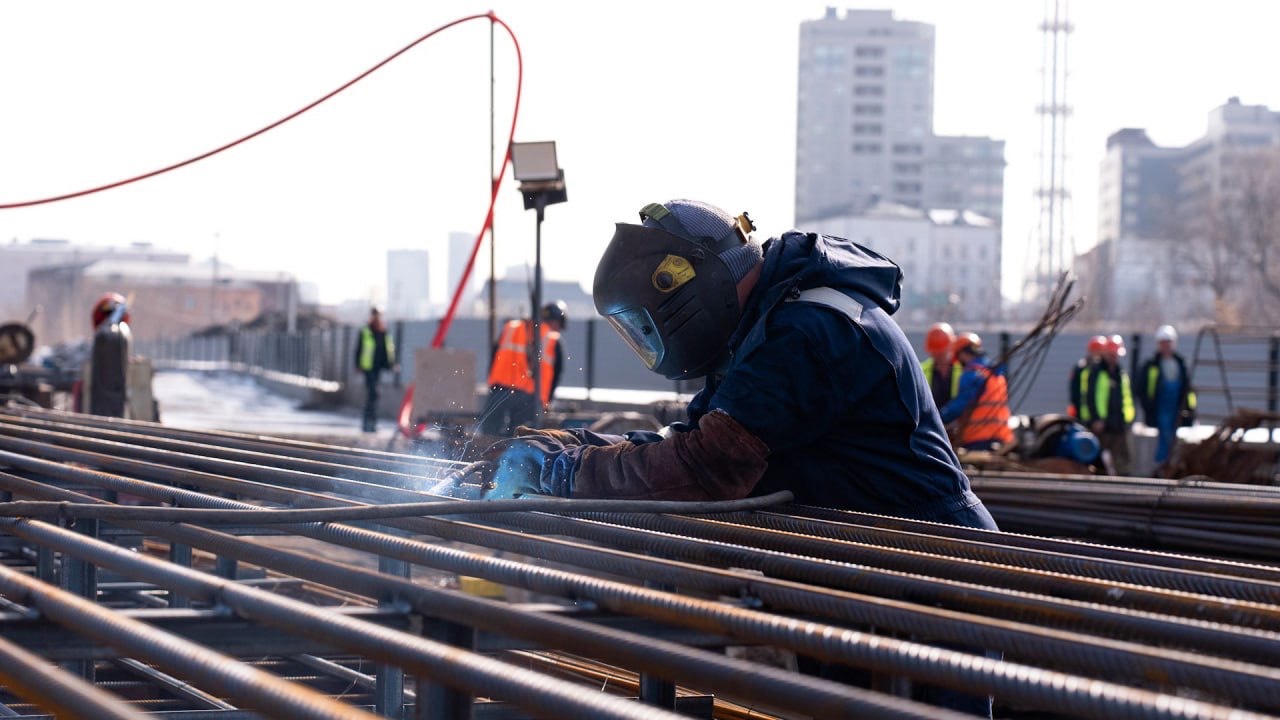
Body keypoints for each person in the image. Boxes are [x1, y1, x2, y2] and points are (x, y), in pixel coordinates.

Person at [456, 198, 998, 716]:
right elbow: (686, 444)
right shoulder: (764, 328)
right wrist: (572, 446)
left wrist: (563, 471)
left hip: (930, 571)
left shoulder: (807, 330)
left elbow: (706, 469)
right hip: (856, 568)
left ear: (686, 288)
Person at [477, 301, 566, 437]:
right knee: (520, 440)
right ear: (557, 322)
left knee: (488, 439)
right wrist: (546, 403)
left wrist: (492, 387)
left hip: (498, 392)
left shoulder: (510, 327)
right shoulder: (553, 339)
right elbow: (556, 376)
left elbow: (494, 357)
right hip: (528, 398)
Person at [1136, 324, 1197, 473]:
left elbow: (1188, 389)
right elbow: (1141, 388)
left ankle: (1171, 465)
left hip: (1176, 405)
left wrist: (1191, 409)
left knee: (1173, 435)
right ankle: (1162, 465)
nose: (1166, 346)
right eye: (1163, 342)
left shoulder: (1181, 364)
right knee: (1165, 435)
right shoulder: (1151, 365)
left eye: (1168, 342)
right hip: (1161, 406)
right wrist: (1148, 406)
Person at [938, 332, 1013, 451]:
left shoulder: (972, 375)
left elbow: (958, 407)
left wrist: (935, 418)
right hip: (1002, 437)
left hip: (978, 438)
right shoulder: (996, 374)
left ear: (963, 354)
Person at [1083, 334, 1135, 475]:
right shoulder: (1096, 372)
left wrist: (1128, 419)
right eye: (1111, 354)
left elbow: (1126, 399)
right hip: (1103, 425)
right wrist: (1096, 419)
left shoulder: (1120, 373)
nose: (1114, 358)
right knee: (1097, 461)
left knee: (1123, 461)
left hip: (1119, 424)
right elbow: (1091, 397)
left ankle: (1124, 490)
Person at [354, 306, 396, 433]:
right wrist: (357, 365)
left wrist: (392, 364)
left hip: (378, 368)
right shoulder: (366, 331)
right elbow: (359, 349)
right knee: (374, 394)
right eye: (375, 315)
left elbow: (388, 349)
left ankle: (371, 424)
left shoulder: (383, 331)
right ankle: (368, 423)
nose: (377, 317)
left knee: (374, 396)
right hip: (368, 368)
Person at [920, 321, 961, 409]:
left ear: (951, 346)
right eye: (934, 352)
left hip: (956, 420)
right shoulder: (922, 370)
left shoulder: (962, 369)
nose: (937, 355)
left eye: (941, 352)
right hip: (931, 420)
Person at [1067, 335, 1107, 419]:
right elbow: (1075, 393)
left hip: (1100, 417)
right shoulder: (1080, 368)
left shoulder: (1104, 370)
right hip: (1082, 415)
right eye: (1097, 351)